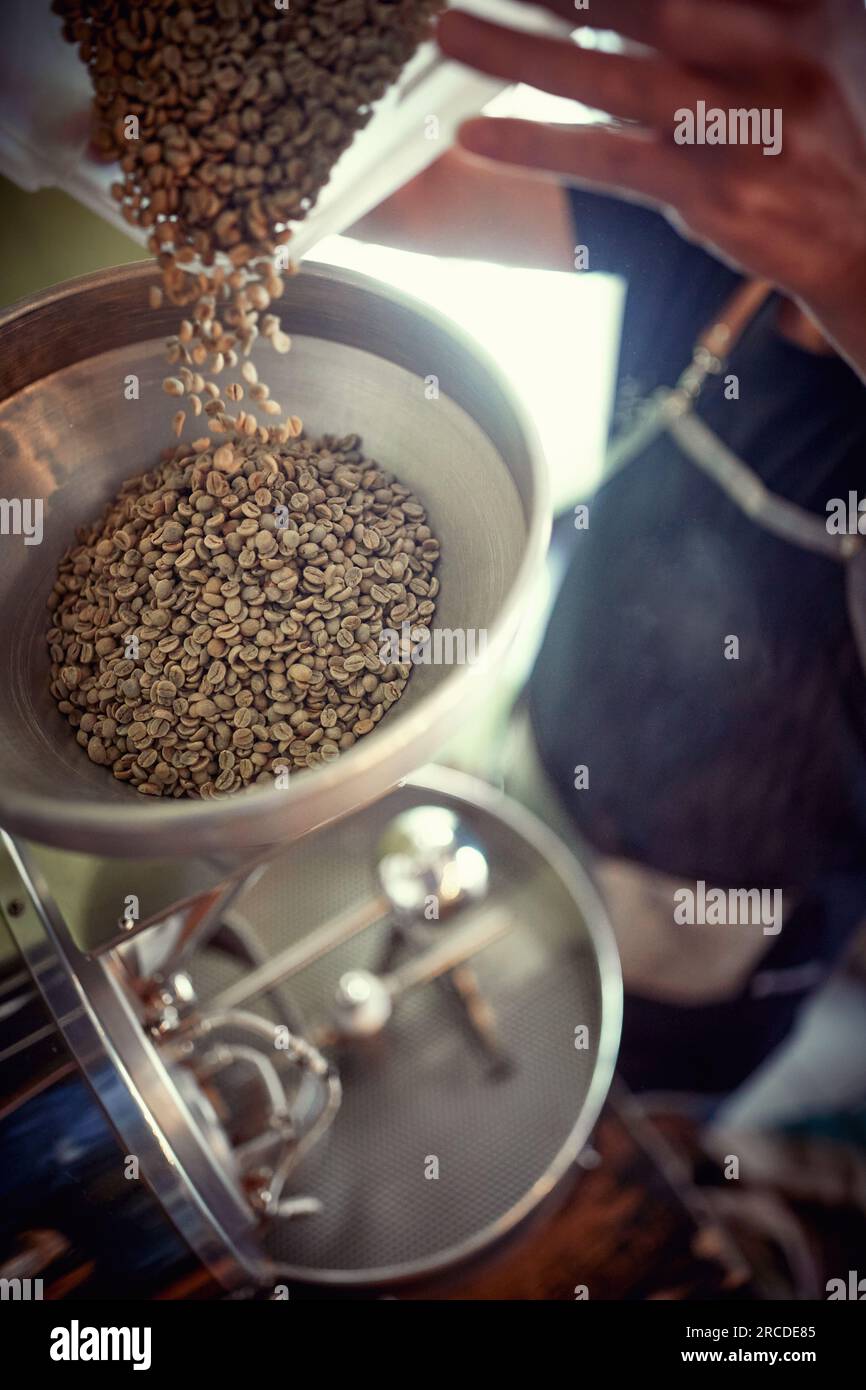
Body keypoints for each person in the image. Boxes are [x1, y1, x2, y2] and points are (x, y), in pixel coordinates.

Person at [352, 0, 866, 1103]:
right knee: (455, 1052)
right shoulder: (714, 226)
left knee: (599, 1125)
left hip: (710, 921)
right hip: (551, 761)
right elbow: (400, 188)